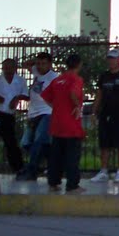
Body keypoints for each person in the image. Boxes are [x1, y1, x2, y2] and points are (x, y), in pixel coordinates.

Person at [43, 54, 88, 193]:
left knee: (56, 154)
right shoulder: (76, 79)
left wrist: (57, 107)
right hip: (71, 124)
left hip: (57, 122)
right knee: (72, 155)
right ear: (79, 65)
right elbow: (73, 93)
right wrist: (76, 106)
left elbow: (45, 96)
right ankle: (72, 184)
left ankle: (53, 182)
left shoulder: (58, 80)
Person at [92, 50, 119, 183]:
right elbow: (99, 95)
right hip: (105, 114)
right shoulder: (104, 76)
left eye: (113, 58)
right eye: (109, 58)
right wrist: (94, 112)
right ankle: (104, 170)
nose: (111, 61)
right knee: (104, 144)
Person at [17, 52, 57, 181]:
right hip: (33, 113)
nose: (40, 66)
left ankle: (32, 170)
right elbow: (25, 64)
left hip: (47, 113)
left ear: (50, 64)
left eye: (43, 64)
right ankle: (53, 166)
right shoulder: (37, 72)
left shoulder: (53, 78)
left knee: (37, 142)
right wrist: (34, 62)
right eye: (38, 63)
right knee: (27, 143)